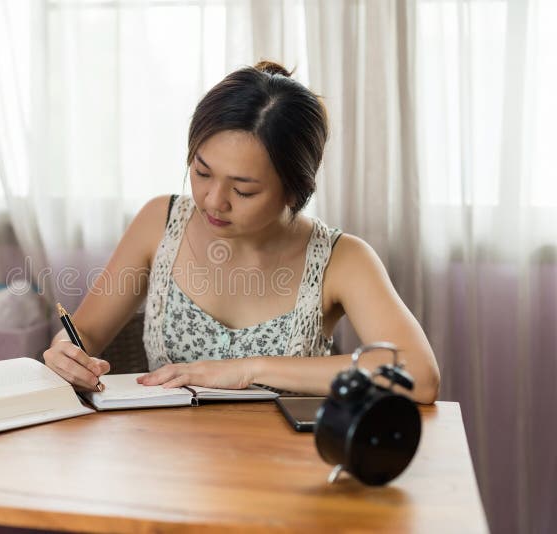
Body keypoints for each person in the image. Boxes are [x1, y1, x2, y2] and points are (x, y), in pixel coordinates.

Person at [44, 61, 440, 404]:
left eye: (243, 189)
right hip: (167, 463)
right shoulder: (159, 222)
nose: (214, 200)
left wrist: (248, 370)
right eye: (201, 172)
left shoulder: (342, 259)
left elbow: (418, 374)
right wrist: (66, 352)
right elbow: (89, 331)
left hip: (281, 472)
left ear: (294, 189)